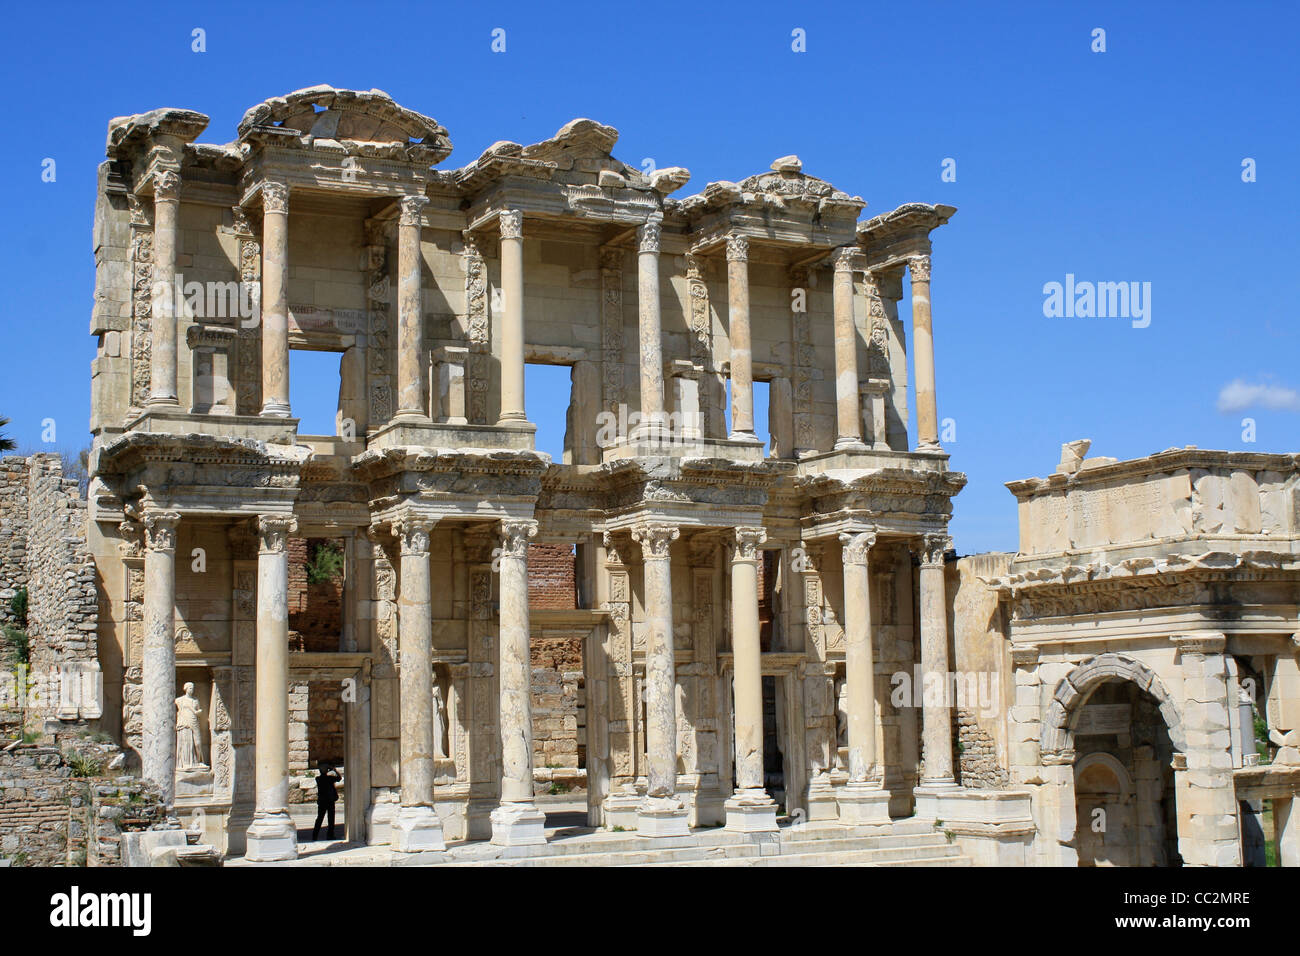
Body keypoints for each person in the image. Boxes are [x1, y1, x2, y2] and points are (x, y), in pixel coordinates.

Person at [312, 760, 342, 841]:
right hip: (330, 800)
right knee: (331, 819)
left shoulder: (318, 779)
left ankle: (315, 835)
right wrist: (334, 769)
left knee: (319, 818)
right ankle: (330, 835)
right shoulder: (330, 779)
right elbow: (339, 778)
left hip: (322, 801)